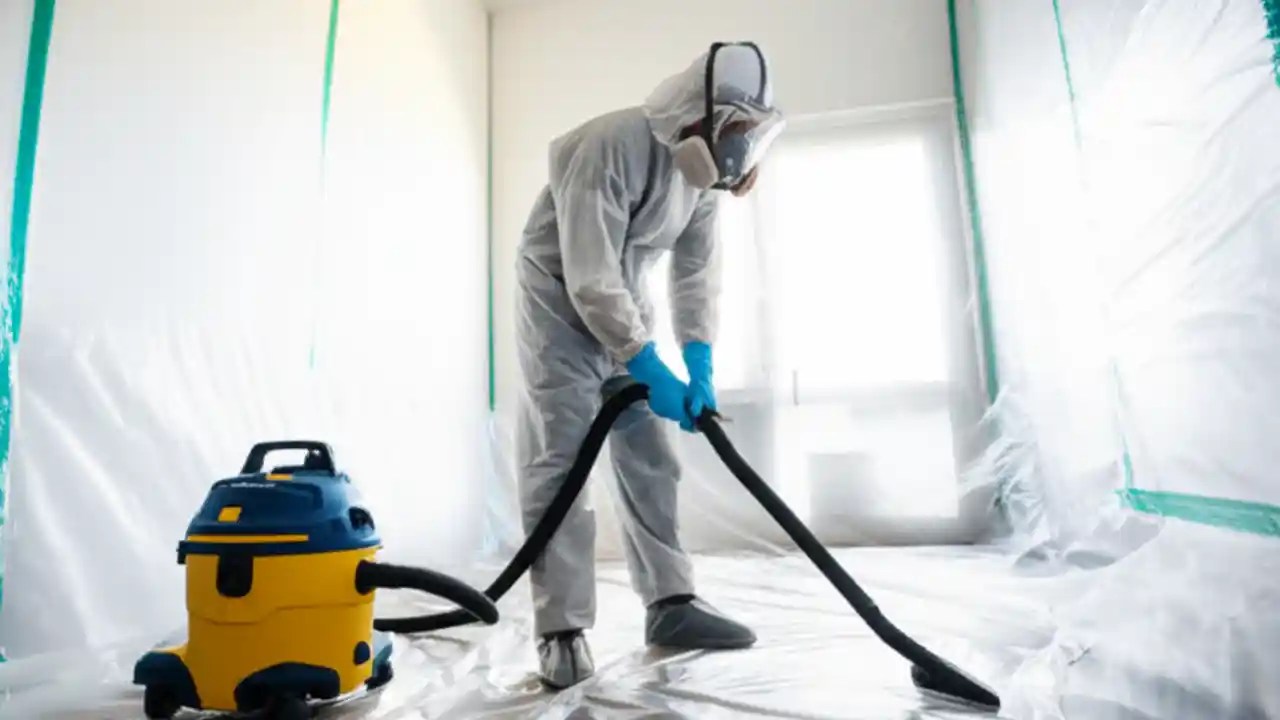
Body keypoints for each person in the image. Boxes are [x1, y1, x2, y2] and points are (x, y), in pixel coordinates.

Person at [513, 42, 785, 689]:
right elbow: (587, 274)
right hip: (560, 307)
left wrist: (697, 361)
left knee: (651, 458)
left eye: (748, 137)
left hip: (624, 304)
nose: (739, 152)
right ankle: (561, 628)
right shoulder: (609, 144)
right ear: (699, 114)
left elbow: (695, 273)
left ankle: (671, 604)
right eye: (734, 133)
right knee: (561, 464)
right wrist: (648, 366)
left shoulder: (704, 180)